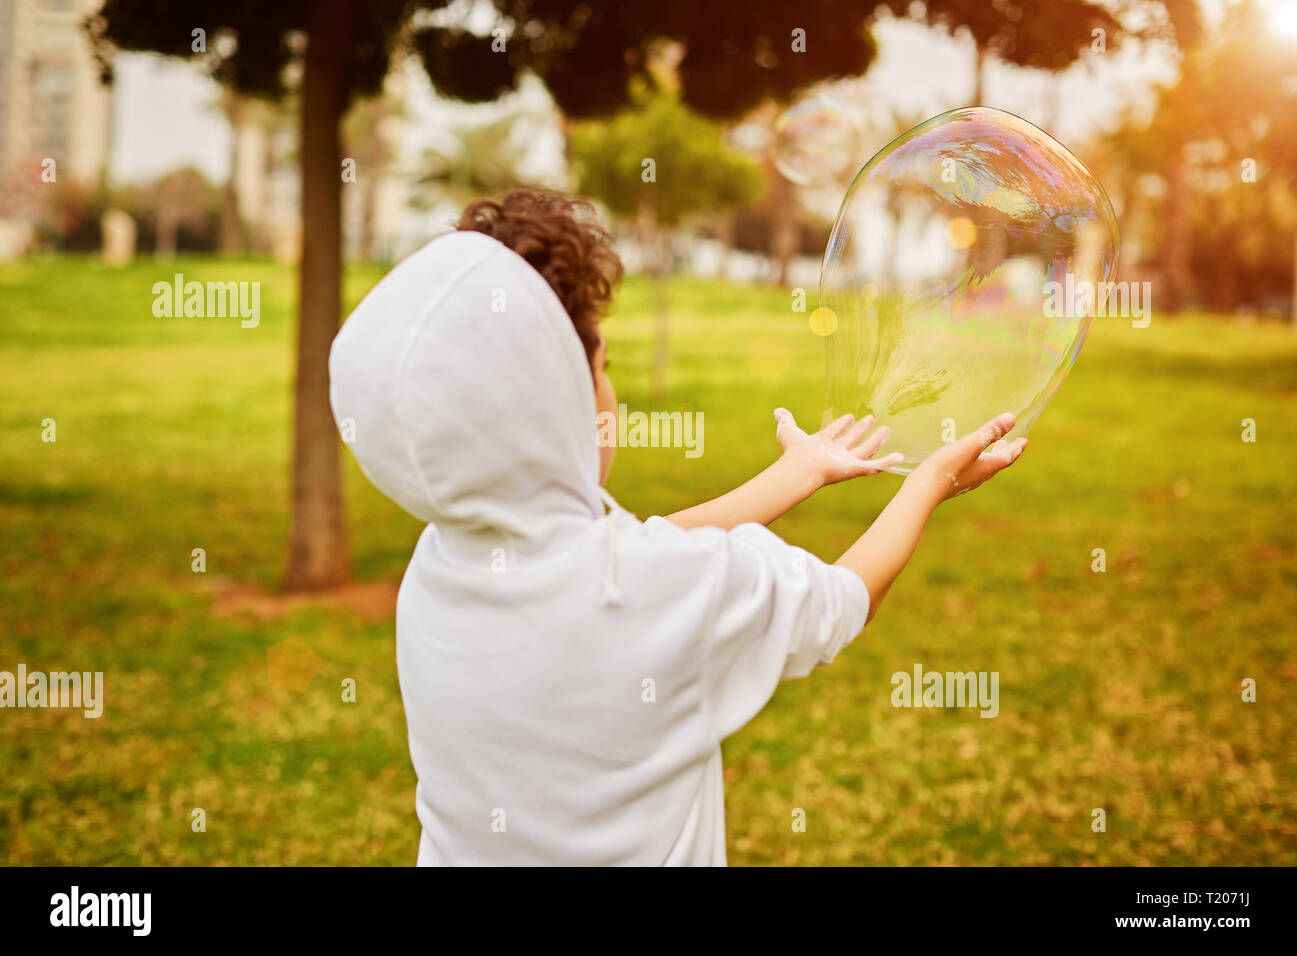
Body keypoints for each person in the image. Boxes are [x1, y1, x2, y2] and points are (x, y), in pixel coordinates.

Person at [328, 189, 1026, 865]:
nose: (611, 392)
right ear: (550, 403)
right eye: (603, 369)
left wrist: (797, 474)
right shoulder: (662, 586)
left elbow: (637, 557)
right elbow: (845, 599)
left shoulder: (440, 567)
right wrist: (930, 483)